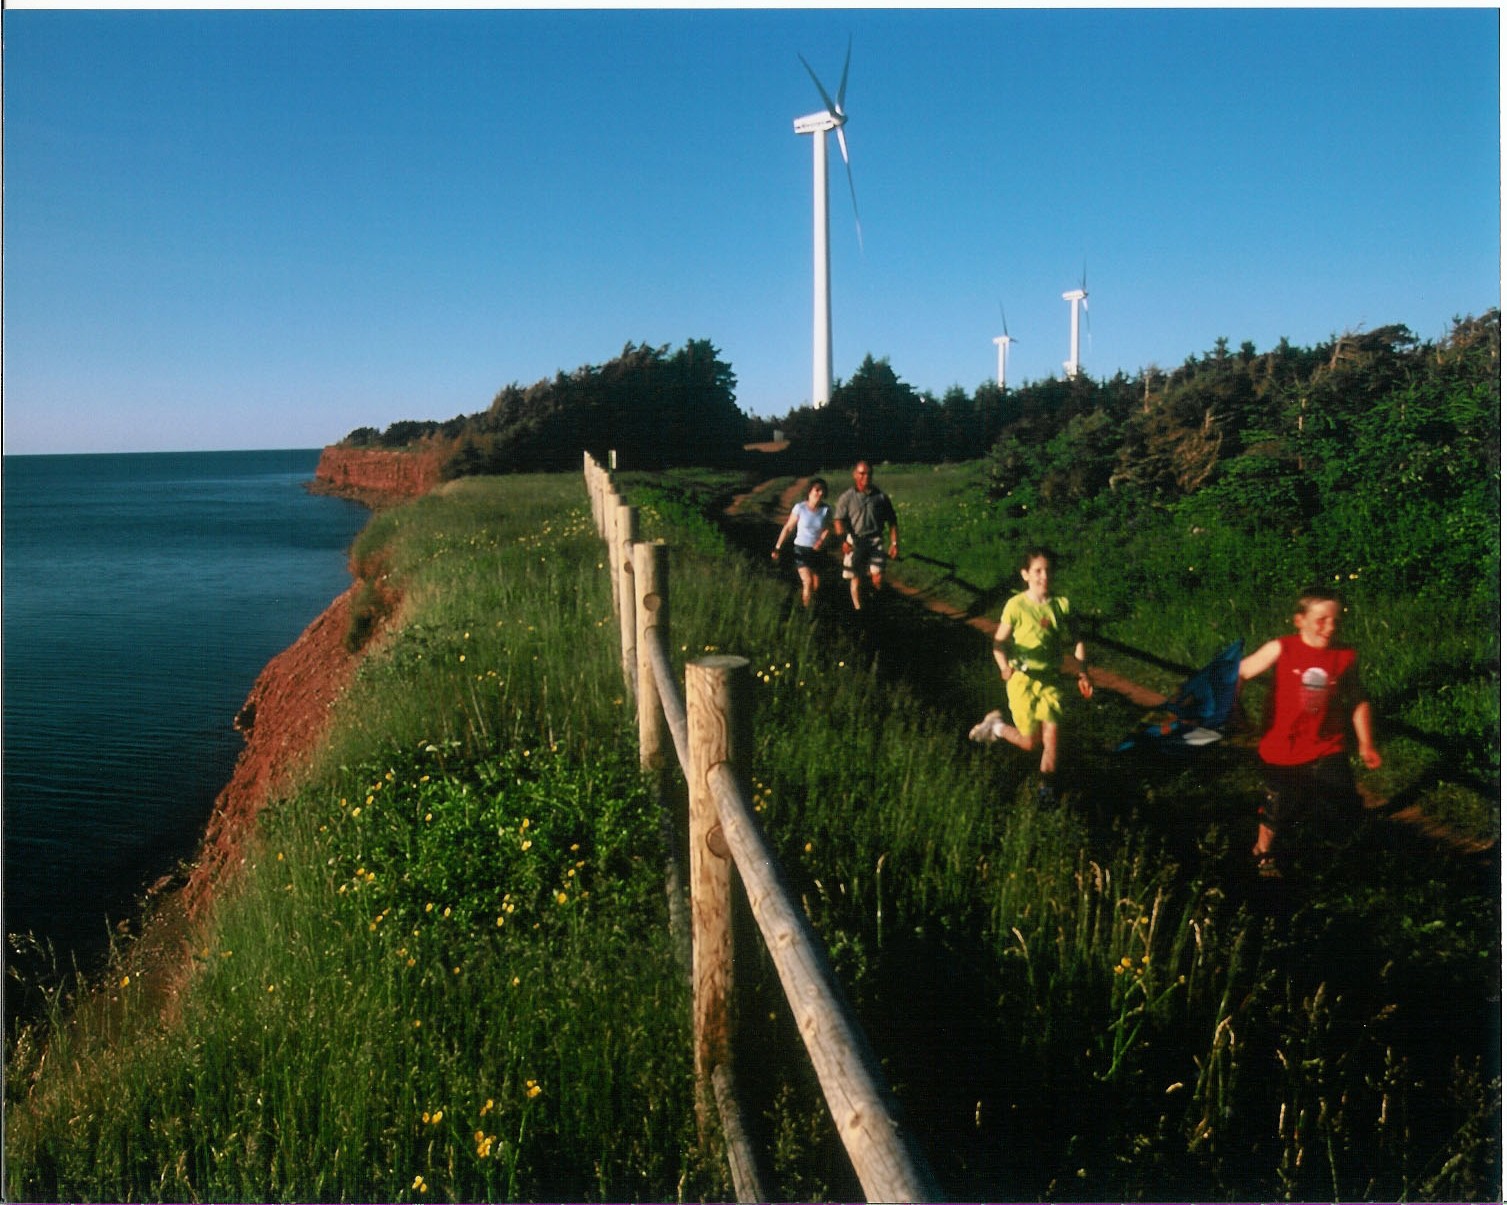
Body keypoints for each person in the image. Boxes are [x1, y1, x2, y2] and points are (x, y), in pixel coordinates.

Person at [1237, 585, 1382, 878]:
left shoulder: (1345, 656)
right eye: (1321, 620)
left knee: (1344, 801)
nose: (1330, 627)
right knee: (1281, 805)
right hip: (1283, 746)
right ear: (1299, 620)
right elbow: (1240, 672)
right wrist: (1233, 710)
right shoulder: (1282, 648)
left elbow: (1358, 699)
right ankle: (1263, 852)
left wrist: (1366, 743)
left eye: (1336, 621)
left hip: (1328, 745)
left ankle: (1341, 856)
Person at [969, 546, 1093, 803]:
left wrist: (1083, 673)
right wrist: (1004, 667)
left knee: (1052, 738)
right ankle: (996, 727)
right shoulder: (1016, 606)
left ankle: (1046, 792)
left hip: (1051, 682)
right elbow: (999, 643)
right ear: (1025, 574)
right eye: (1037, 571)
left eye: (1048, 571)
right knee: (1029, 742)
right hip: (1022, 682)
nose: (1044, 576)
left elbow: (1078, 640)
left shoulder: (1062, 605)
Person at [832, 460, 899, 611]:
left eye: (868, 474)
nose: (865, 477)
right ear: (855, 475)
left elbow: (892, 521)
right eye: (862, 474)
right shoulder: (847, 497)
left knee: (878, 578)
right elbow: (838, 521)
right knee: (856, 577)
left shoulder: (881, 497)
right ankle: (858, 609)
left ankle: (877, 605)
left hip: (875, 540)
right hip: (855, 541)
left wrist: (894, 543)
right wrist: (843, 541)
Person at [771, 477, 833, 607]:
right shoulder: (800, 508)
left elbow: (827, 528)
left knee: (816, 584)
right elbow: (788, 528)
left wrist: (821, 541)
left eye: (822, 490)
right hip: (801, 549)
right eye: (817, 490)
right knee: (808, 581)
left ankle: (811, 603)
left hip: (817, 551)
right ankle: (806, 611)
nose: (820, 493)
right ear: (809, 491)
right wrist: (778, 547)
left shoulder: (826, 510)